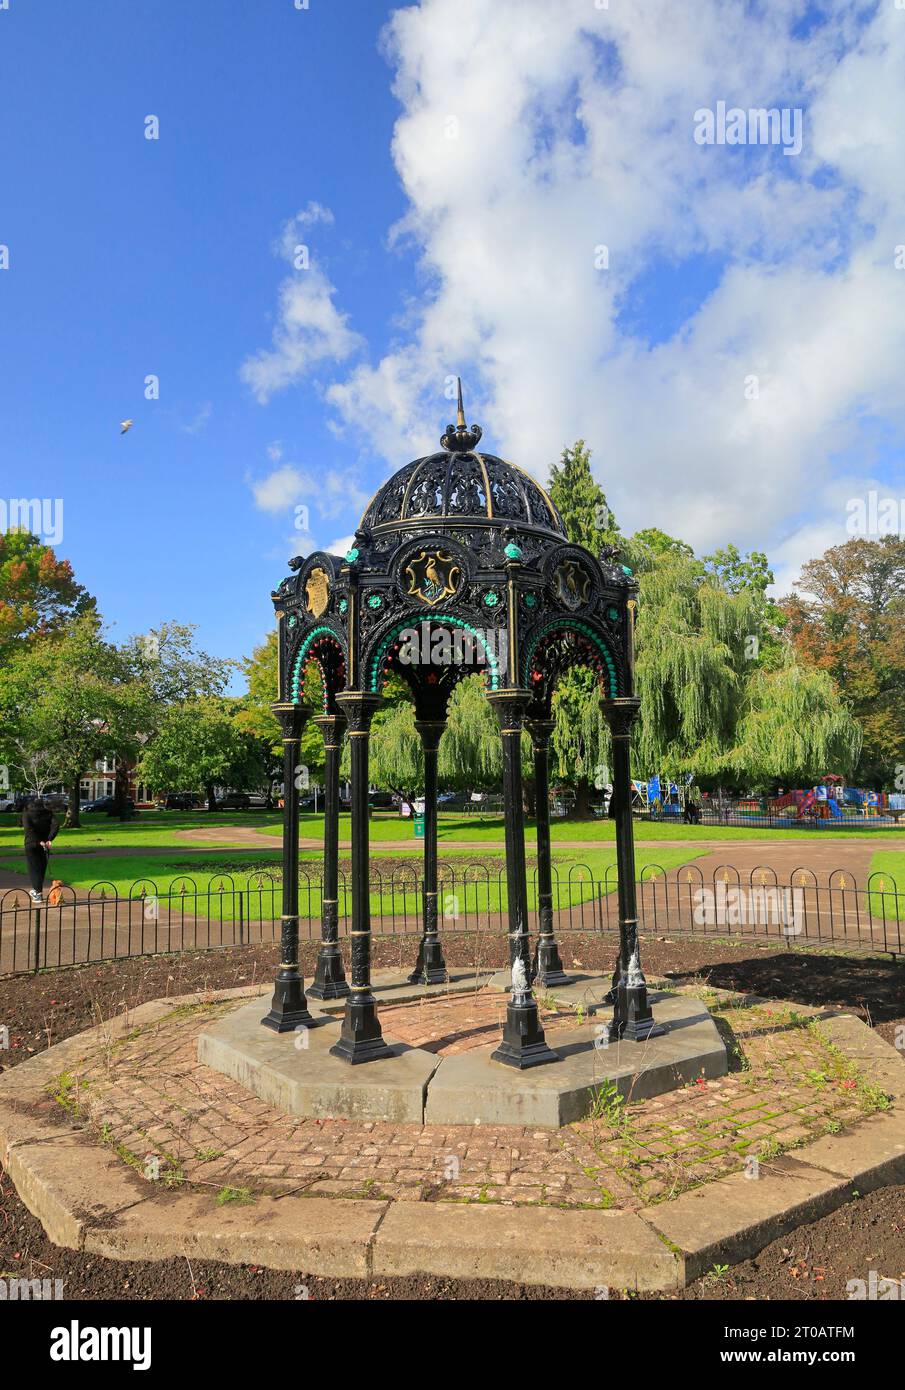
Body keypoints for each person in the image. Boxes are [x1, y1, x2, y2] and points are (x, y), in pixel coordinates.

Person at [22, 795, 59, 904]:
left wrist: (39, 841)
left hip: (31, 843)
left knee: (34, 869)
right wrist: (49, 839)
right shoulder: (48, 814)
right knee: (41, 868)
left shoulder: (27, 814)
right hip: (44, 844)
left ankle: (37, 893)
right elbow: (56, 825)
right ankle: (37, 891)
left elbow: (29, 829)